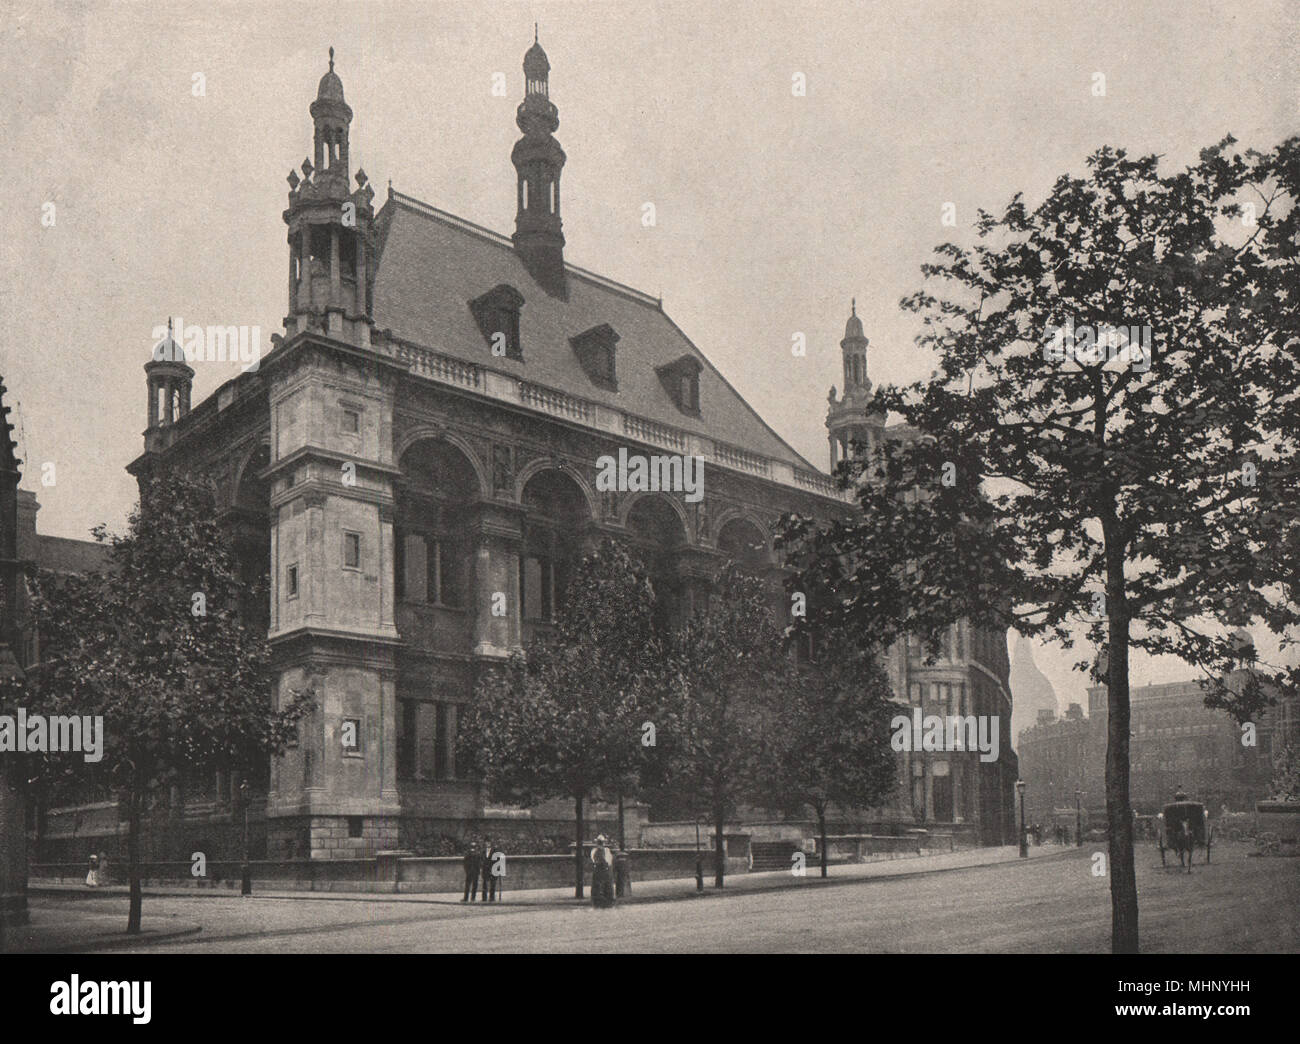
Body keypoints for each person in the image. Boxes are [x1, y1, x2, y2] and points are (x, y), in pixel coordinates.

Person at [591, 834, 615, 908]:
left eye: (601, 842)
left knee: (606, 886)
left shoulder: (606, 850)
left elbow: (609, 861)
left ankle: (607, 901)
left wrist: (606, 865)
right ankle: (598, 901)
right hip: (599, 870)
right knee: (598, 886)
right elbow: (594, 860)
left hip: (604, 870)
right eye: (600, 842)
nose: (601, 844)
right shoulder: (595, 850)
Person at [461, 836, 481, 902]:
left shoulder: (478, 854)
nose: (473, 848)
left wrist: (478, 870)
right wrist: (467, 870)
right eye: (472, 846)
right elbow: (465, 862)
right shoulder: (468, 854)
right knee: (467, 885)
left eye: (474, 846)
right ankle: (466, 898)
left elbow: (479, 863)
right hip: (469, 871)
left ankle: (473, 898)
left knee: (474, 885)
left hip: (475, 871)